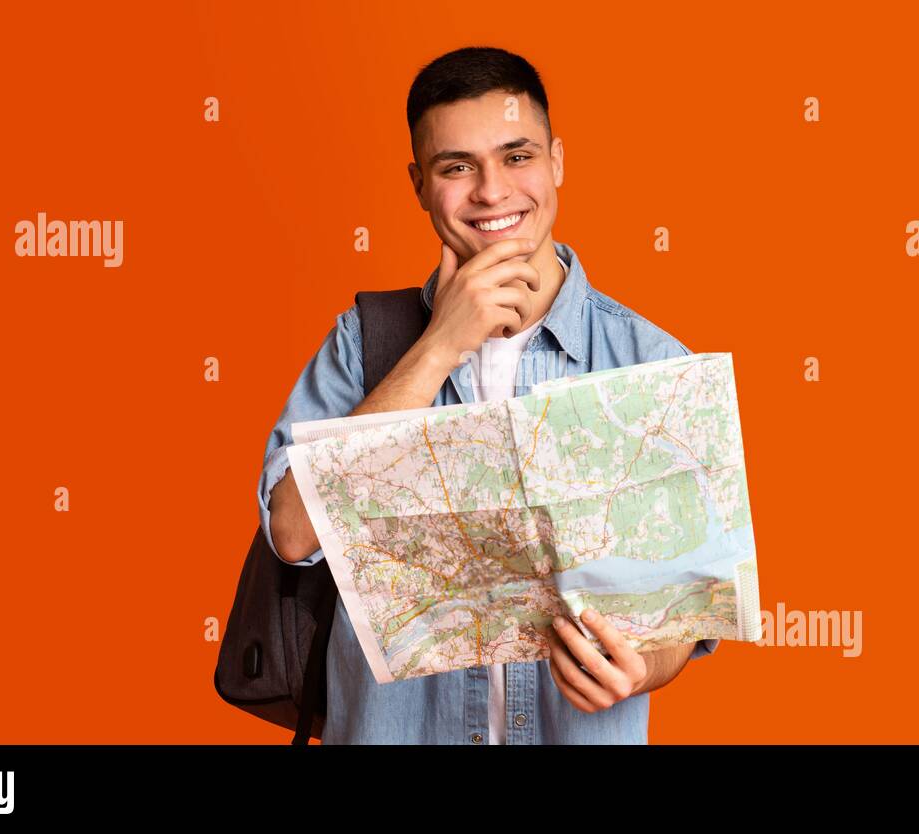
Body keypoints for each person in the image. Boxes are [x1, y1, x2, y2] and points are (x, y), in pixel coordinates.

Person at [258, 46, 718, 744]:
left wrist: (640, 668)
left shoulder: (649, 363)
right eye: (456, 167)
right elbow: (293, 534)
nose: (492, 192)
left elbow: (680, 612)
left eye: (517, 156)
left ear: (557, 162)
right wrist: (440, 344)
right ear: (419, 184)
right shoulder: (363, 345)